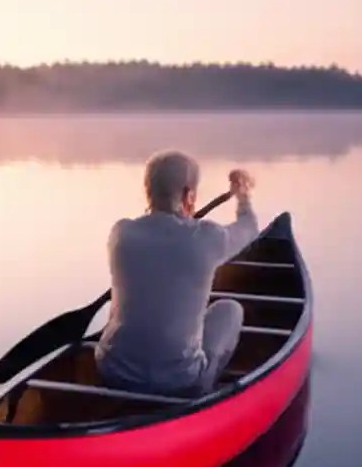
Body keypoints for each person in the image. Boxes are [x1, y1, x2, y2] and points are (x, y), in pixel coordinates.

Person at [95, 151, 258, 396]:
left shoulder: (121, 233)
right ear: (188, 194)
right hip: (178, 381)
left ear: (147, 189)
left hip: (112, 372)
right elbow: (249, 229)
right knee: (230, 309)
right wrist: (243, 195)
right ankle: (205, 389)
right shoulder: (206, 237)